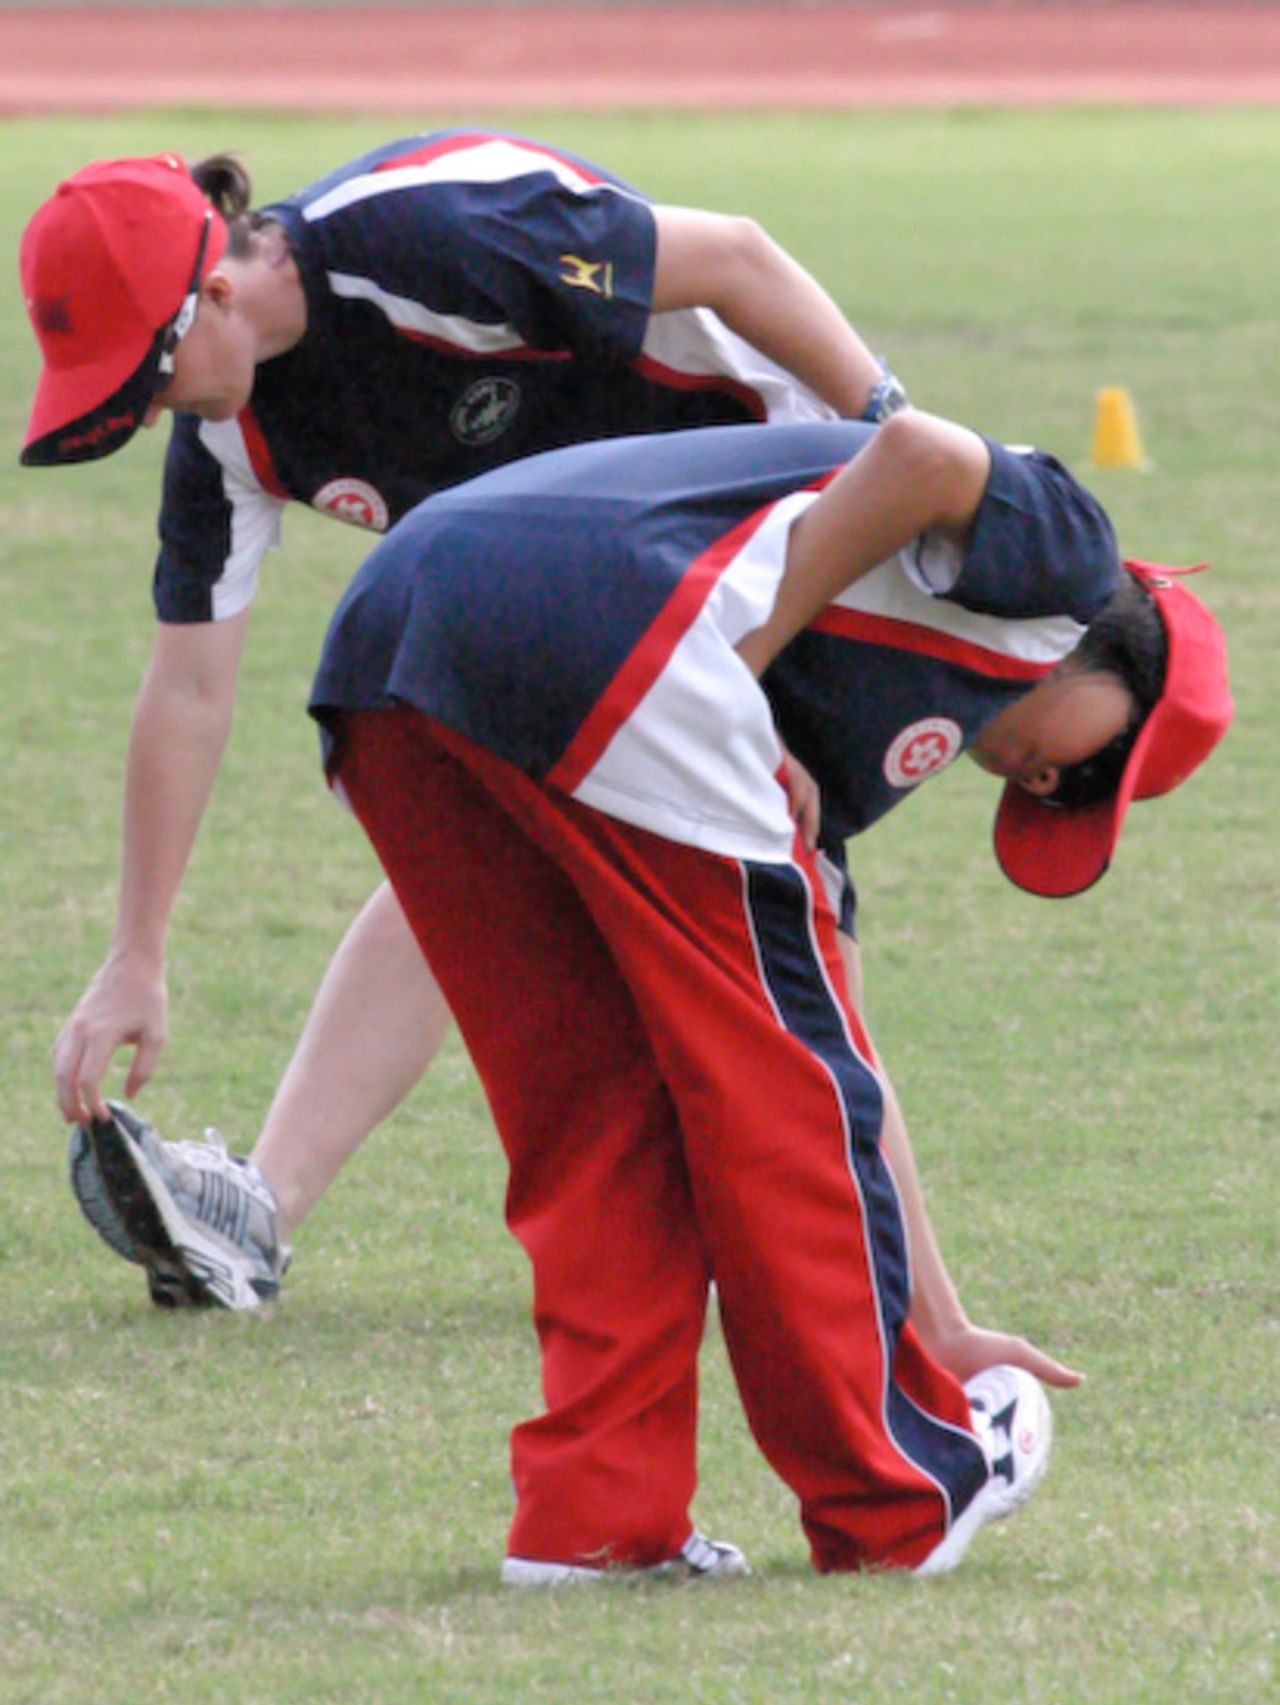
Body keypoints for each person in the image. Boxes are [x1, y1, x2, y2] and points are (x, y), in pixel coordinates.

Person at [76, 410, 1231, 1580]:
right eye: (1092, 767)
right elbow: (922, 452)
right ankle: (899, 1492)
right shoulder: (1068, 563)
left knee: (602, 1112)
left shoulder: (844, 722)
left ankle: (595, 1527)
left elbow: (845, 1061)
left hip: (400, 633)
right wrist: (735, 655)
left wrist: (939, 1316)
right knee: (772, 1100)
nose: (1046, 781)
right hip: (600, 633)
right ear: (1116, 651)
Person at [21, 132, 907, 1306]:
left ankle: (848, 1270)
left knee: (777, 898)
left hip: (781, 498)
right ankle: (257, 1217)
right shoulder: (229, 434)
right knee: (476, 836)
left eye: (147, 384)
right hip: (599, 574)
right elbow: (188, 686)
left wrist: (901, 454)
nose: (146, 420)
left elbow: (738, 261)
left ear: (217, 294)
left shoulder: (429, 239)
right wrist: (136, 952)